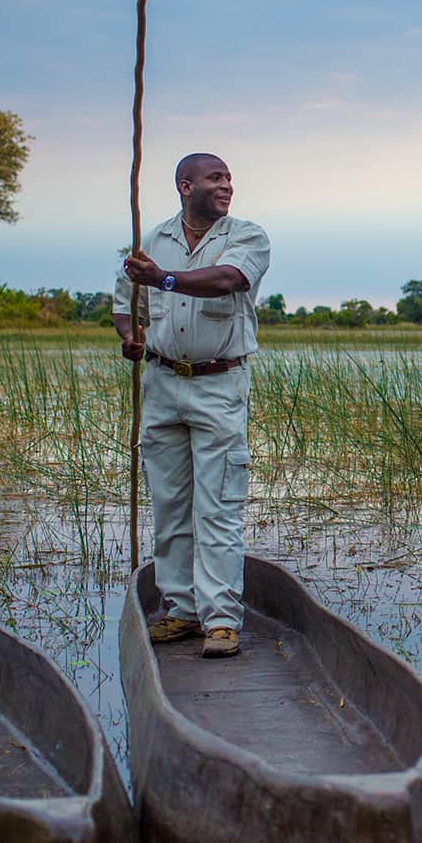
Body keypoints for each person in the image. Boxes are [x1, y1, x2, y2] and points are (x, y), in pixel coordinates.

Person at [113, 152, 270, 658]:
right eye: (215, 178)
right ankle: (179, 611)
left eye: (228, 177)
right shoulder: (153, 241)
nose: (227, 185)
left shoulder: (246, 236)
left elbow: (227, 281)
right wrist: (131, 336)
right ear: (185, 185)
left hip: (219, 386)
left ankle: (221, 620)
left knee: (219, 507)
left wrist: (163, 278)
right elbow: (125, 304)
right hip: (162, 383)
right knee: (171, 506)